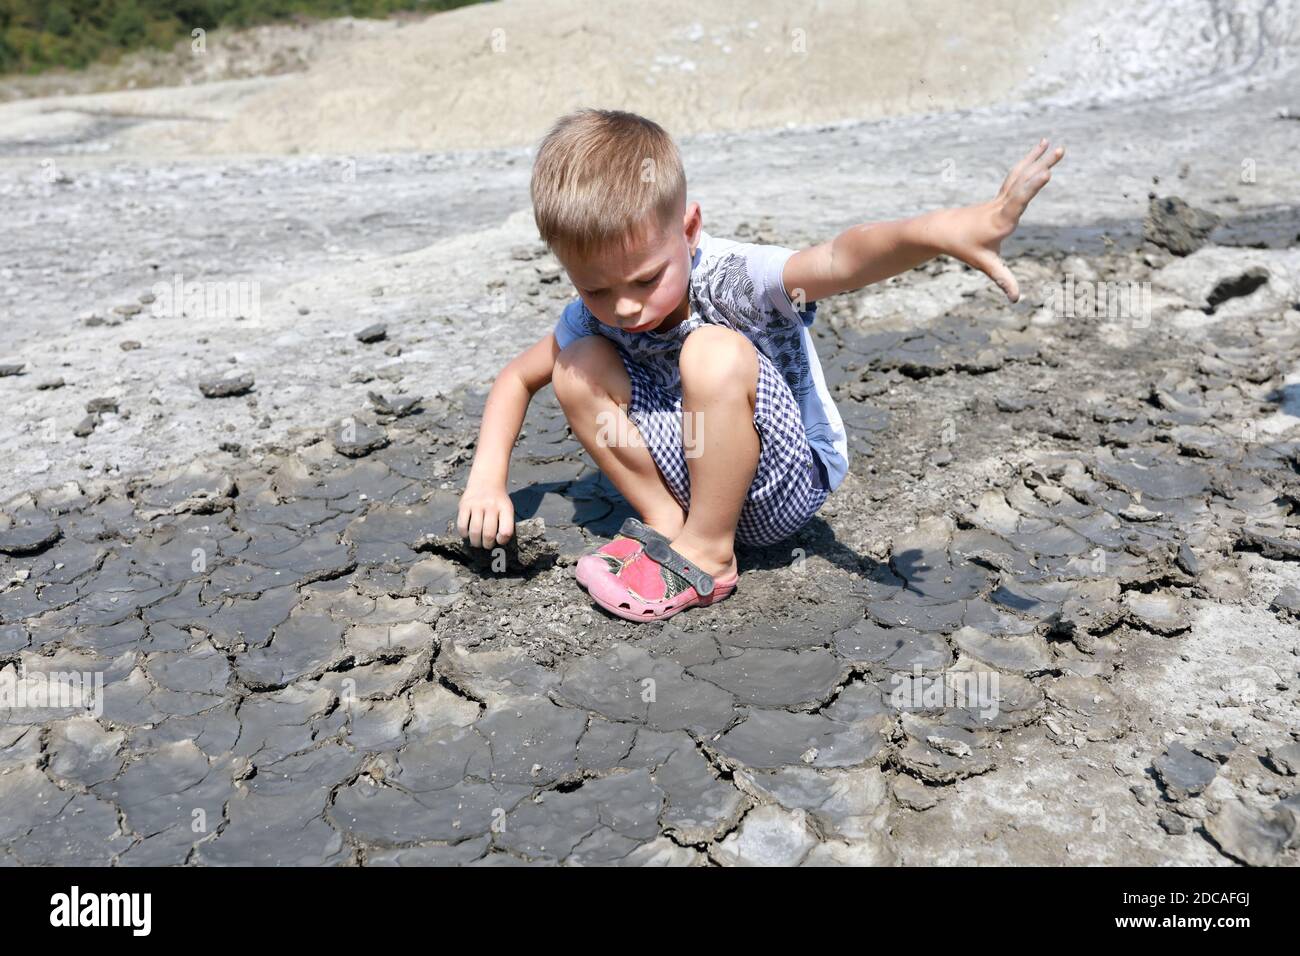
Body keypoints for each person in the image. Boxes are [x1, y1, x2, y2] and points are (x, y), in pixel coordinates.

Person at [457, 108, 1063, 622]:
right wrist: (487, 480)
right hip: (688, 473)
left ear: (689, 230)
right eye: (595, 289)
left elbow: (841, 258)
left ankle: (711, 554)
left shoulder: (733, 278)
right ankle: (668, 525)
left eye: (646, 279)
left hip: (782, 479)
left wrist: (943, 229)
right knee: (575, 363)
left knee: (711, 350)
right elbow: (516, 378)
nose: (625, 308)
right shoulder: (599, 314)